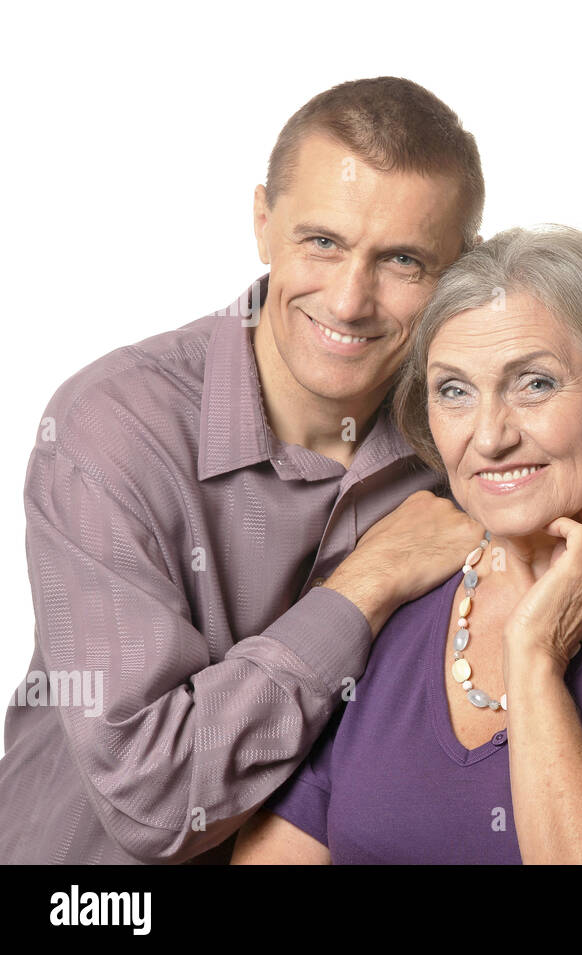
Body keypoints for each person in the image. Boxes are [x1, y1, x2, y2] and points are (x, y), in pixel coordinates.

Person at [0, 77, 486, 864]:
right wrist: (366, 584)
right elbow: (152, 798)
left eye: (402, 260)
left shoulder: (468, 438)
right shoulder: (111, 427)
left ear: (460, 267)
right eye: (321, 242)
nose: (351, 299)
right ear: (263, 222)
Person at [232, 226, 582, 864]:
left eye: (534, 384)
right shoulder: (398, 589)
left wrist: (535, 656)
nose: (490, 437)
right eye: (454, 391)